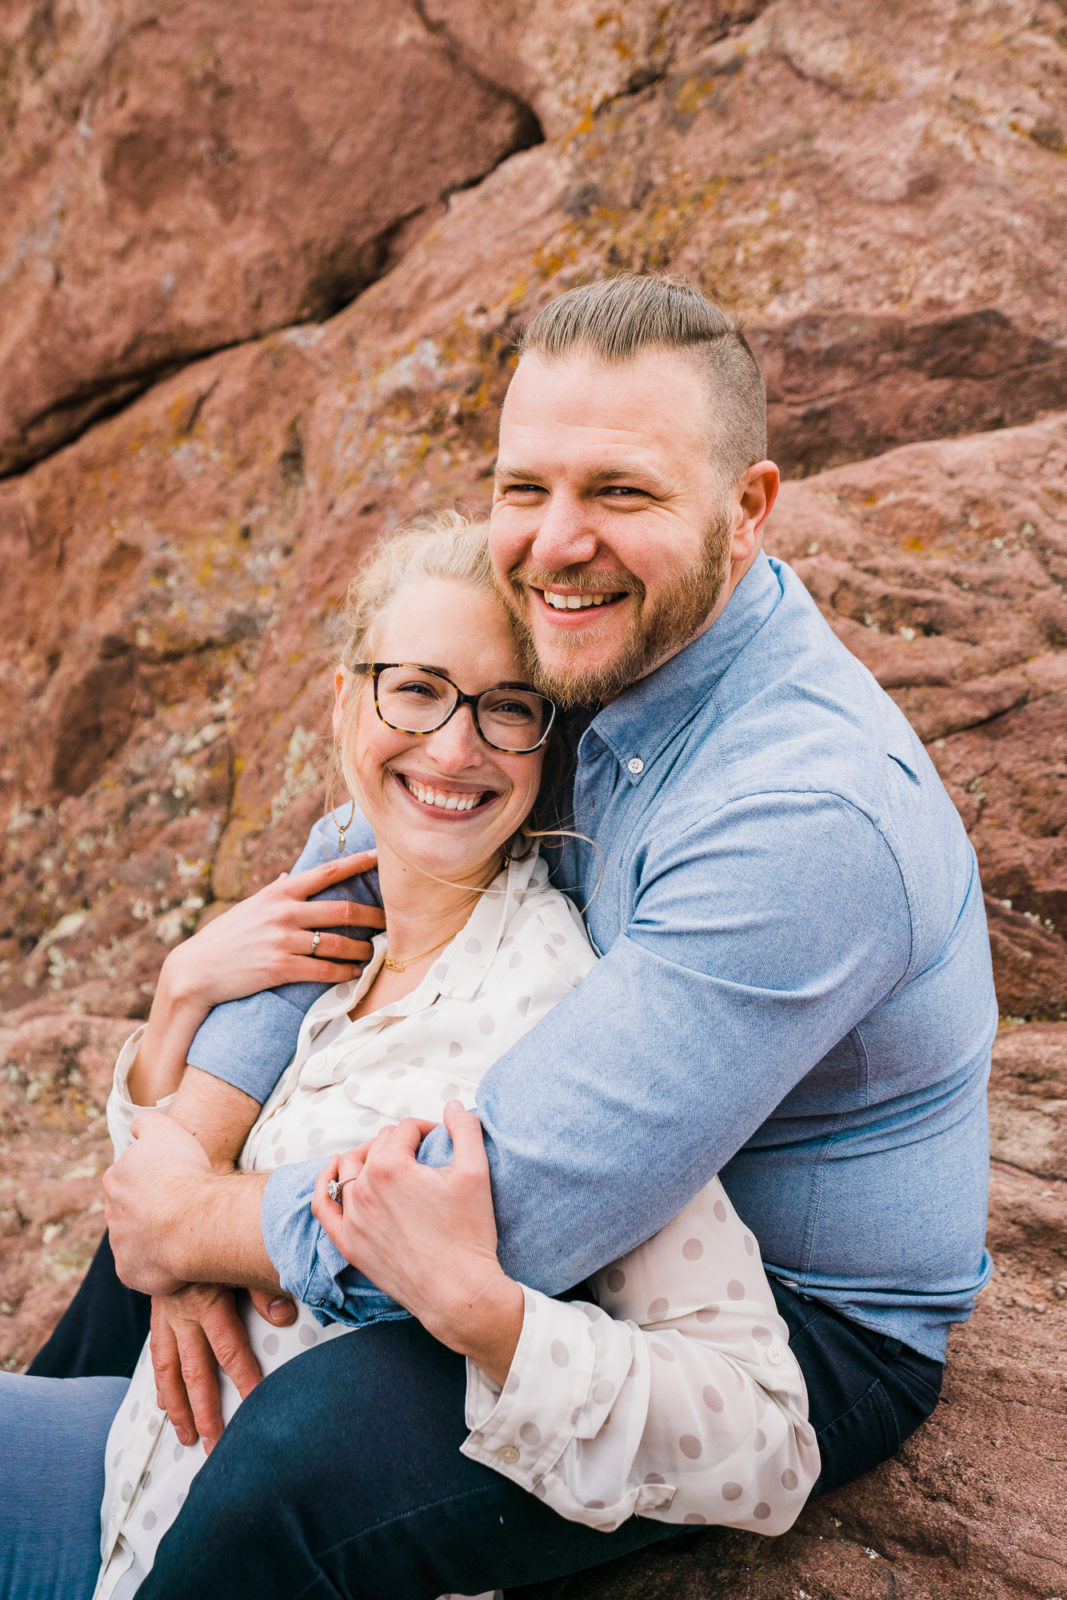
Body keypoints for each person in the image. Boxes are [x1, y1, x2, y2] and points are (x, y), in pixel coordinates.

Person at [44, 275, 995, 1599]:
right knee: (127, 1285)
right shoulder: (585, 652)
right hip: (614, 1215)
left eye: (619, 491)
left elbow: (527, 1214)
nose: (555, 541)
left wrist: (200, 1222)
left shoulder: (800, 816)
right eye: (522, 486)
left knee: (299, 1456)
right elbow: (359, 855)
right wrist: (187, 1157)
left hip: (777, 1321)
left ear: (747, 511)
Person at [1, 515, 818, 1600]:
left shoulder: (554, 1012)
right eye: (417, 689)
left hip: (262, 1556)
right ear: (344, 701)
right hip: (127, 1477)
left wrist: (484, 1312)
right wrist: (177, 1002)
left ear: (547, 742)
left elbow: (764, 1434)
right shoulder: (318, 927)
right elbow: (151, 1191)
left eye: (505, 708)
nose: (451, 746)